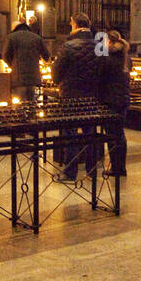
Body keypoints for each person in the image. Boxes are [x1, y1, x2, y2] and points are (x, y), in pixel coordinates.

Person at [52, 13, 100, 179]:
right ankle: (92, 170)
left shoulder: (68, 46)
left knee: (70, 133)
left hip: (70, 95)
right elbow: (103, 71)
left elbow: (56, 74)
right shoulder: (99, 46)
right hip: (92, 95)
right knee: (90, 133)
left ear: (73, 24)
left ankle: (70, 171)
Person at [99, 29, 131, 178]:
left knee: (111, 135)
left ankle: (115, 167)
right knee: (120, 134)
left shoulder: (107, 57)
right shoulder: (125, 56)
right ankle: (121, 167)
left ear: (109, 42)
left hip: (110, 99)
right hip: (123, 98)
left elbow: (101, 77)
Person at [3, 19, 50, 103]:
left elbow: (5, 55)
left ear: (14, 29)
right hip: (34, 78)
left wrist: (12, 65)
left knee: (19, 104)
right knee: (33, 104)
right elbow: (46, 56)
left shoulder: (11, 37)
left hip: (18, 79)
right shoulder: (36, 38)